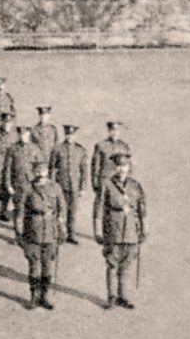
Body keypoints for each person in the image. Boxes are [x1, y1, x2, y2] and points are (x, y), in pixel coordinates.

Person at [93, 154, 146, 309]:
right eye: (118, 166)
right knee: (112, 264)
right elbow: (98, 208)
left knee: (126, 265)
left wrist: (144, 228)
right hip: (113, 231)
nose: (121, 169)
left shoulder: (135, 186)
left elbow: (142, 208)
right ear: (114, 168)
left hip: (131, 231)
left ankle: (124, 297)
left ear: (128, 167)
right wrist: (97, 230)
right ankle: (112, 297)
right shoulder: (107, 184)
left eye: (124, 166)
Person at [14, 160, 67, 309]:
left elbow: (62, 208)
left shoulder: (55, 187)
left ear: (47, 172)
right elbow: (20, 211)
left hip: (50, 230)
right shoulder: (27, 188)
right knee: (34, 265)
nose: (40, 173)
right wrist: (19, 231)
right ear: (33, 172)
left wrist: (61, 225)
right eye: (37, 171)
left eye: (42, 170)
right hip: (33, 230)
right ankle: (34, 296)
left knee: (47, 264)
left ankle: (45, 296)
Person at [49, 124, 89, 244]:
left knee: (73, 211)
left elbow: (84, 170)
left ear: (75, 135)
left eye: (72, 135)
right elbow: (52, 168)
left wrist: (83, 187)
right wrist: (52, 185)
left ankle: (71, 235)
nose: (69, 137)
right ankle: (58, 233)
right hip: (61, 185)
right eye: (67, 134)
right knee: (60, 210)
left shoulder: (80, 150)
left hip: (74, 186)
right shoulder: (58, 149)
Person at [91, 120, 131, 194]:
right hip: (105, 181)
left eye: (117, 130)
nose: (115, 133)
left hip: (119, 182)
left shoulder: (124, 146)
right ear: (109, 131)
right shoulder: (101, 146)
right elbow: (95, 167)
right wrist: (95, 185)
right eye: (113, 130)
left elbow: (128, 166)